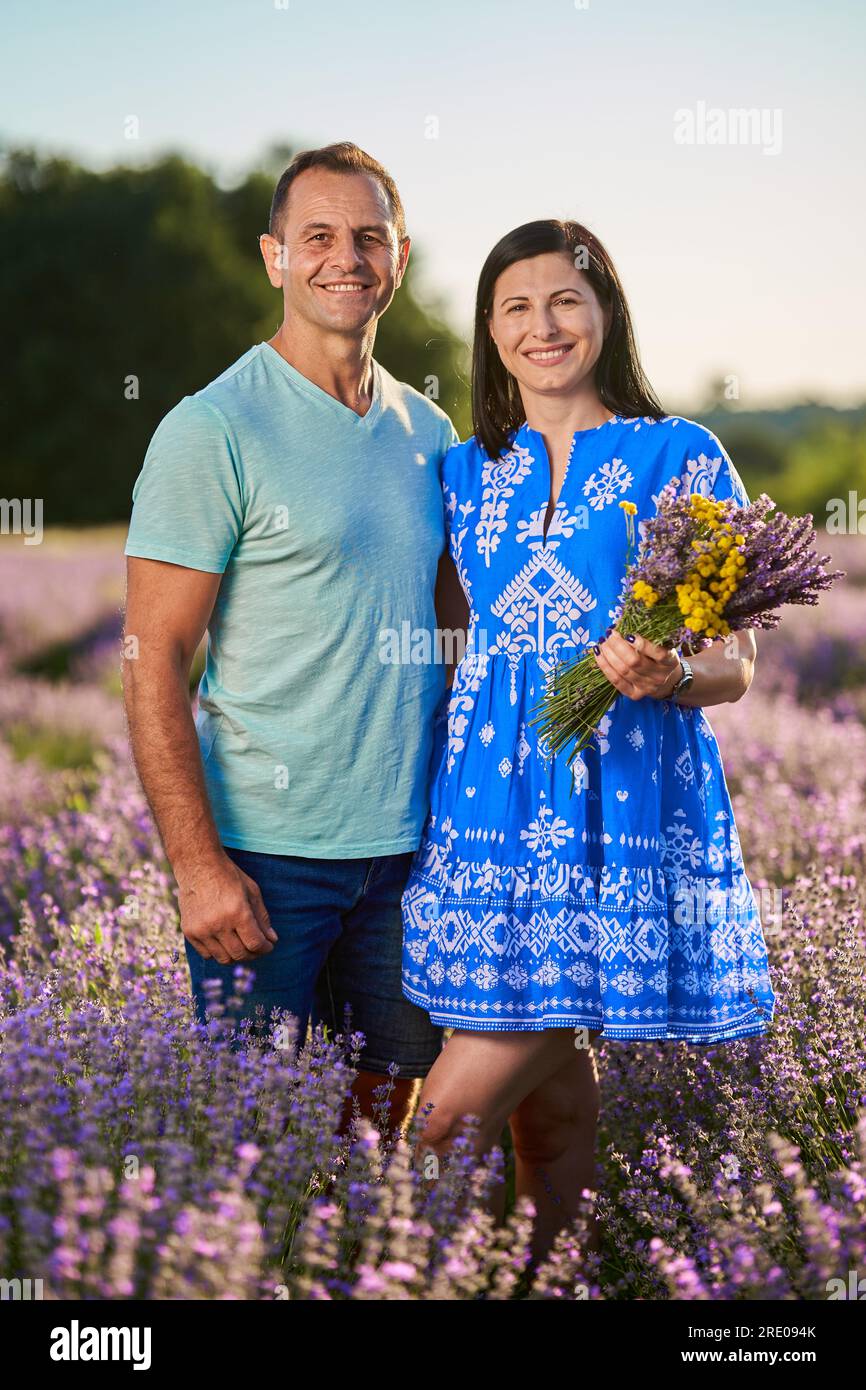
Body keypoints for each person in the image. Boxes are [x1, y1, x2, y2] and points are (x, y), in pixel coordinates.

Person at [400, 219, 777, 1264]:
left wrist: (672, 673)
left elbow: (735, 662)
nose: (542, 325)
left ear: (605, 310)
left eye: (564, 299)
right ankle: (537, 1281)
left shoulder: (678, 453)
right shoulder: (460, 471)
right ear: (488, 329)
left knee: (443, 1119)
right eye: (514, 306)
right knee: (547, 1114)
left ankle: (414, 1282)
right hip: (485, 811)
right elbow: (454, 640)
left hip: (614, 808)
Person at [122, 142, 458, 1131]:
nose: (342, 258)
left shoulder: (428, 433)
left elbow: (454, 635)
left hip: (410, 857)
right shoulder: (211, 428)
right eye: (316, 236)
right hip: (265, 863)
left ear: (397, 258)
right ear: (274, 257)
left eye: (367, 237)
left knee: (380, 1140)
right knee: (249, 1146)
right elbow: (151, 668)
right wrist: (197, 867)